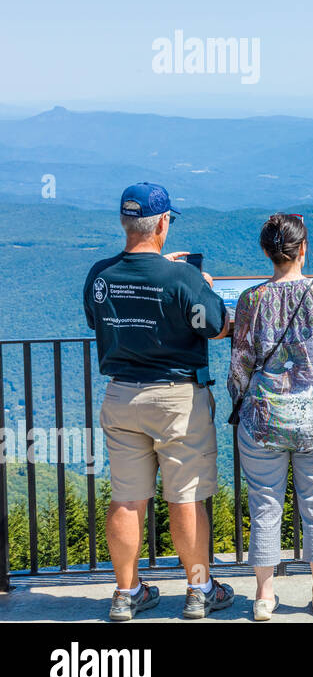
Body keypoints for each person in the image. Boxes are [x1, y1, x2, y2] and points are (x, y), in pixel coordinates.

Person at [84, 182, 235, 621]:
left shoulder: (100, 274)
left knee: (127, 498)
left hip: (121, 396)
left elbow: (98, 316)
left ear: (124, 222)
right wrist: (198, 285)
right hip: (176, 399)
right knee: (184, 497)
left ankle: (127, 593)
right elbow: (217, 326)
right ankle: (199, 588)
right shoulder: (182, 277)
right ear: (163, 223)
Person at [227, 213, 313, 620]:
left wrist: (240, 400)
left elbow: (241, 363)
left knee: (265, 506)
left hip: (263, 419)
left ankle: (264, 595)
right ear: (303, 249)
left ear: (267, 252)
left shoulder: (252, 299)